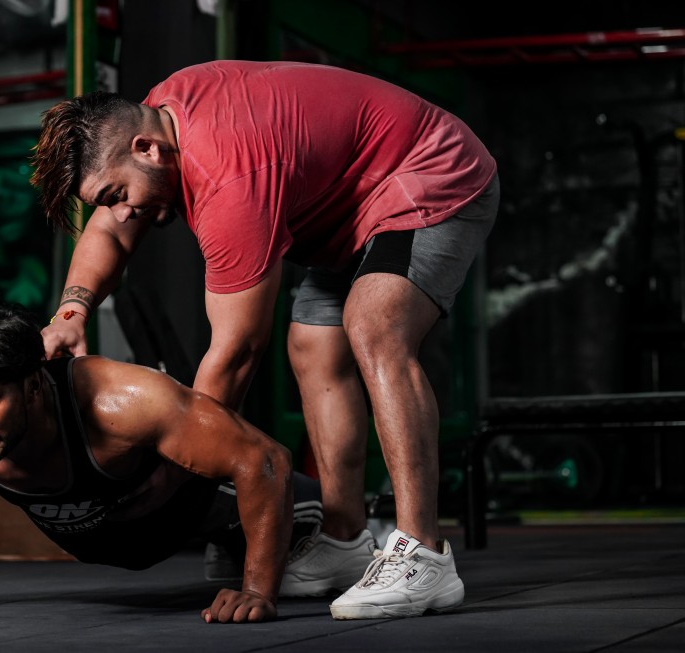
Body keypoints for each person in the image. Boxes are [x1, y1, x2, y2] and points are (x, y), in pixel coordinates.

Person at [30, 60, 499, 619]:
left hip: (430, 172)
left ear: (146, 149)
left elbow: (235, 354)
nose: (123, 210)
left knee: (375, 327)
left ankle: (422, 553)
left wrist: (177, 479)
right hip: (349, 210)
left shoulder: (229, 182)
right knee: (312, 347)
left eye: (116, 192)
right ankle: (345, 541)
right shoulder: (162, 114)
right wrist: (72, 310)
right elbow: (110, 228)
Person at [0, 300, 326, 625]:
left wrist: (259, 592)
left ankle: (307, 534)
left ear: (33, 384)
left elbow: (265, 460)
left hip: (190, 509)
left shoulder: (123, 402)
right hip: (111, 537)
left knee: (302, 518)